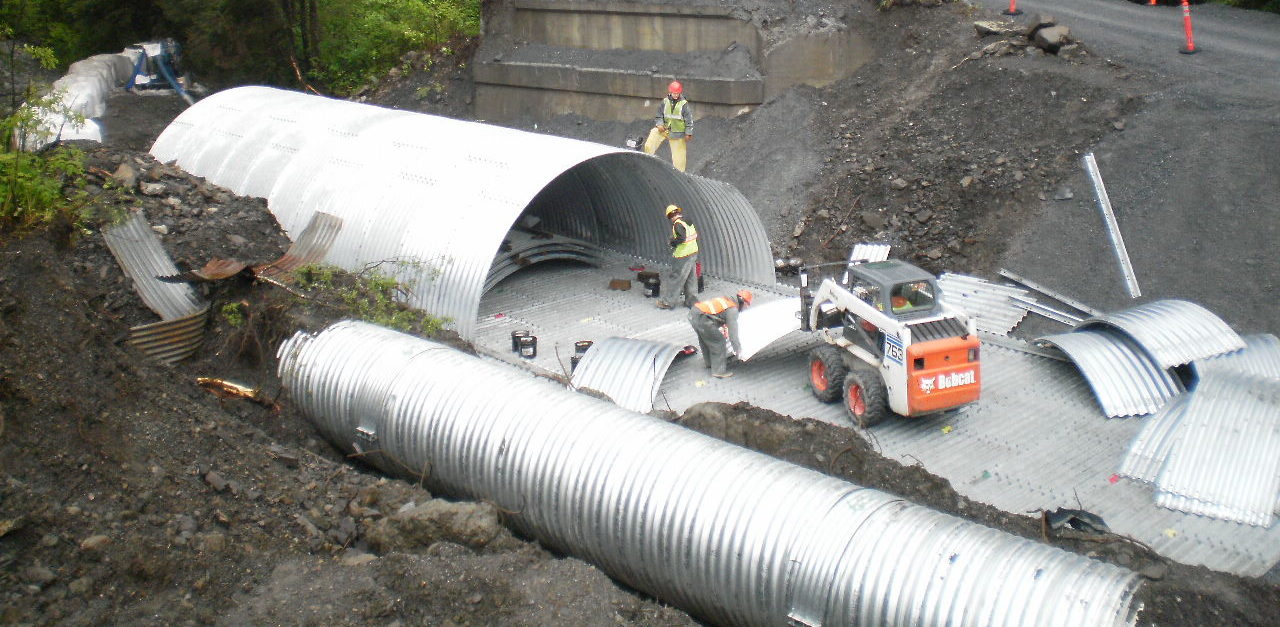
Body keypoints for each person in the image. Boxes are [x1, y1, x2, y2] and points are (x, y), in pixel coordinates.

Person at [689, 290, 753, 378]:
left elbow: (718, 315)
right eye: (747, 305)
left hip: (694, 314)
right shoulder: (733, 310)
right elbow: (733, 335)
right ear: (743, 302)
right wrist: (738, 350)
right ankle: (718, 371)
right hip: (702, 318)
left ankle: (709, 363)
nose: (746, 307)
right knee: (718, 342)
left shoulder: (728, 300)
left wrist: (723, 328)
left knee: (705, 339)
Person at [642, 80, 694, 172]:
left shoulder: (684, 104)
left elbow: (689, 120)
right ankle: (646, 160)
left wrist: (688, 133)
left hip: (677, 134)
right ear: (670, 92)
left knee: (679, 159)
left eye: (677, 93)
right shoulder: (665, 102)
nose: (676, 95)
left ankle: (679, 174)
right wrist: (659, 124)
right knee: (652, 138)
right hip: (664, 129)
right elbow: (659, 115)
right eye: (674, 93)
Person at [655, 204, 698, 309]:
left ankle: (668, 302)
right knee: (690, 278)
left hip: (683, 255)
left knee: (676, 278)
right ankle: (691, 301)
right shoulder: (687, 220)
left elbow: (682, 238)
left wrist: (672, 242)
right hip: (693, 252)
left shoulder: (677, 224)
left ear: (670, 216)